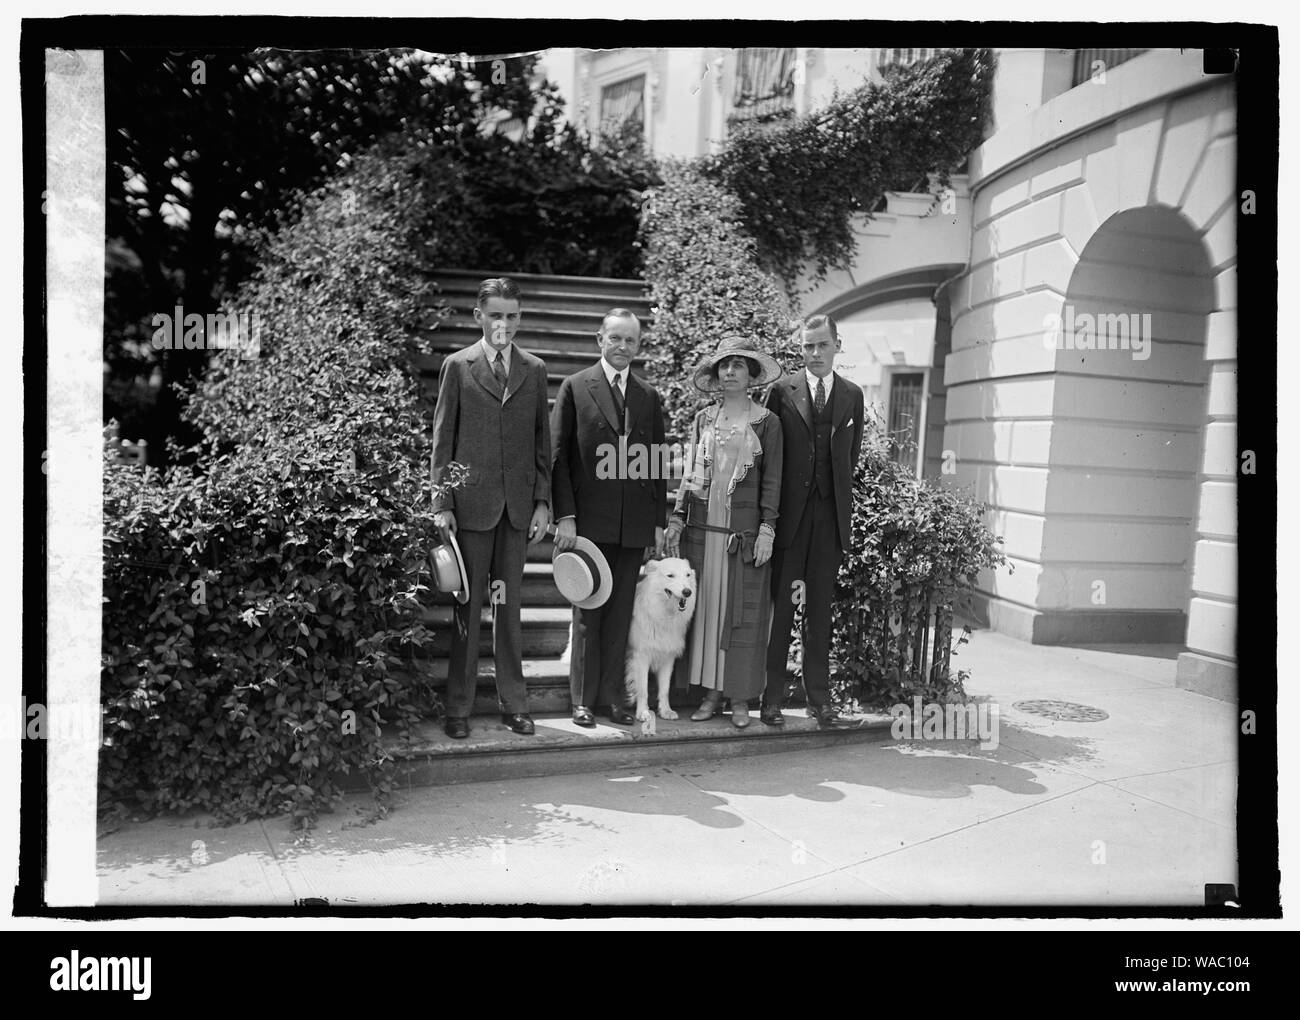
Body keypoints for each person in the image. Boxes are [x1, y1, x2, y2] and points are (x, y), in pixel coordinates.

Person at [430, 277, 552, 739]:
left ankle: (513, 703)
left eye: (512, 315)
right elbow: (443, 440)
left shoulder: (534, 369)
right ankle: (458, 708)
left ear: (520, 319)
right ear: (479, 316)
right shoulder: (457, 367)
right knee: (468, 606)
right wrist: (442, 501)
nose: (504, 323)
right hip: (472, 506)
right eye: (496, 314)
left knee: (508, 607)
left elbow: (542, 441)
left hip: (517, 509)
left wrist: (542, 501)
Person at [550, 309, 668, 727]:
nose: (621, 347)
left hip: (632, 525)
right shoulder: (575, 387)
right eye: (614, 338)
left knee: (620, 614)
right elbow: (559, 458)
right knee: (588, 615)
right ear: (600, 339)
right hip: (588, 523)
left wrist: (658, 520)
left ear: (639, 346)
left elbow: (656, 461)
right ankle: (582, 700)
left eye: (630, 341)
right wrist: (565, 516)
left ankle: (612, 698)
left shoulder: (648, 396)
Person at [664, 336, 782, 728]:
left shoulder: (768, 423)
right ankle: (711, 695)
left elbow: (772, 482)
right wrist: (678, 517)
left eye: (739, 365)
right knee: (709, 614)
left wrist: (767, 529)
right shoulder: (703, 420)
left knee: (743, 618)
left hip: (742, 539)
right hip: (705, 534)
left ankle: (741, 698)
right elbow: (691, 476)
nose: (730, 372)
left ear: (751, 375)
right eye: (724, 366)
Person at [761, 314, 865, 728]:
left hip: (829, 520)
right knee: (783, 610)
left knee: (819, 612)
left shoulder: (852, 395)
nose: (815, 353)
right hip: (790, 519)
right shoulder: (781, 391)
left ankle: (819, 700)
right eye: (808, 346)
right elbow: (770, 455)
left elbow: (850, 458)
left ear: (837, 345)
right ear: (800, 349)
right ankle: (771, 700)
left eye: (823, 345)